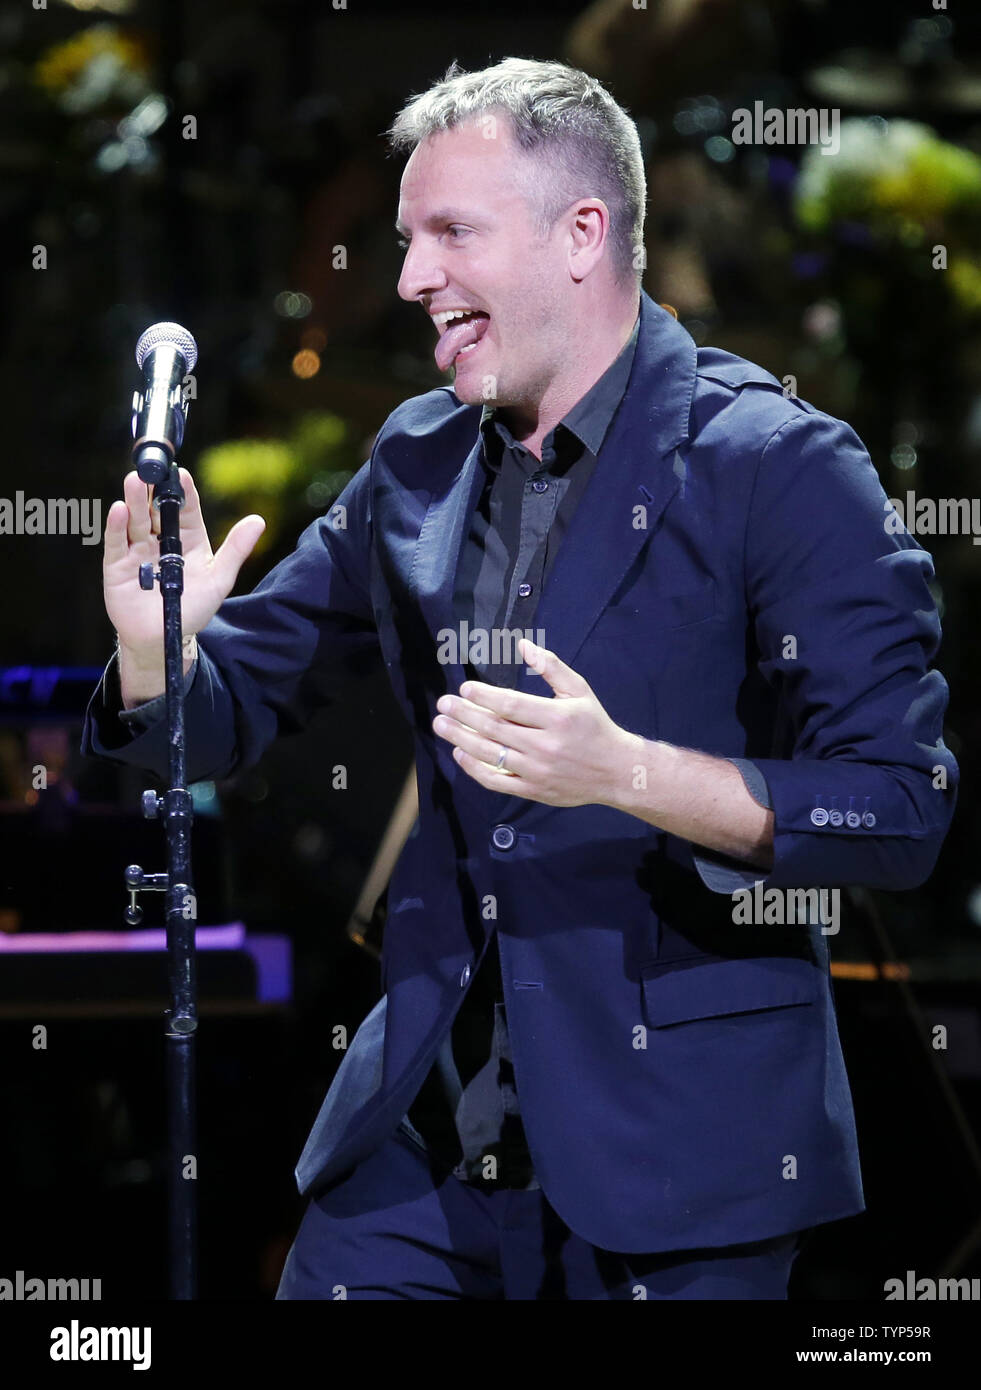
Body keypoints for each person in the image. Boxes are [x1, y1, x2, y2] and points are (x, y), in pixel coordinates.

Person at [82, 57, 958, 1300]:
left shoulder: (780, 465)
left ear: (582, 235)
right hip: (424, 1146)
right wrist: (152, 647)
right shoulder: (416, 464)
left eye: (450, 233)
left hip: (678, 1162)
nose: (409, 279)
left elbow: (900, 806)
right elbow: (224, 715)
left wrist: (632, 775)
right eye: (405, 238)